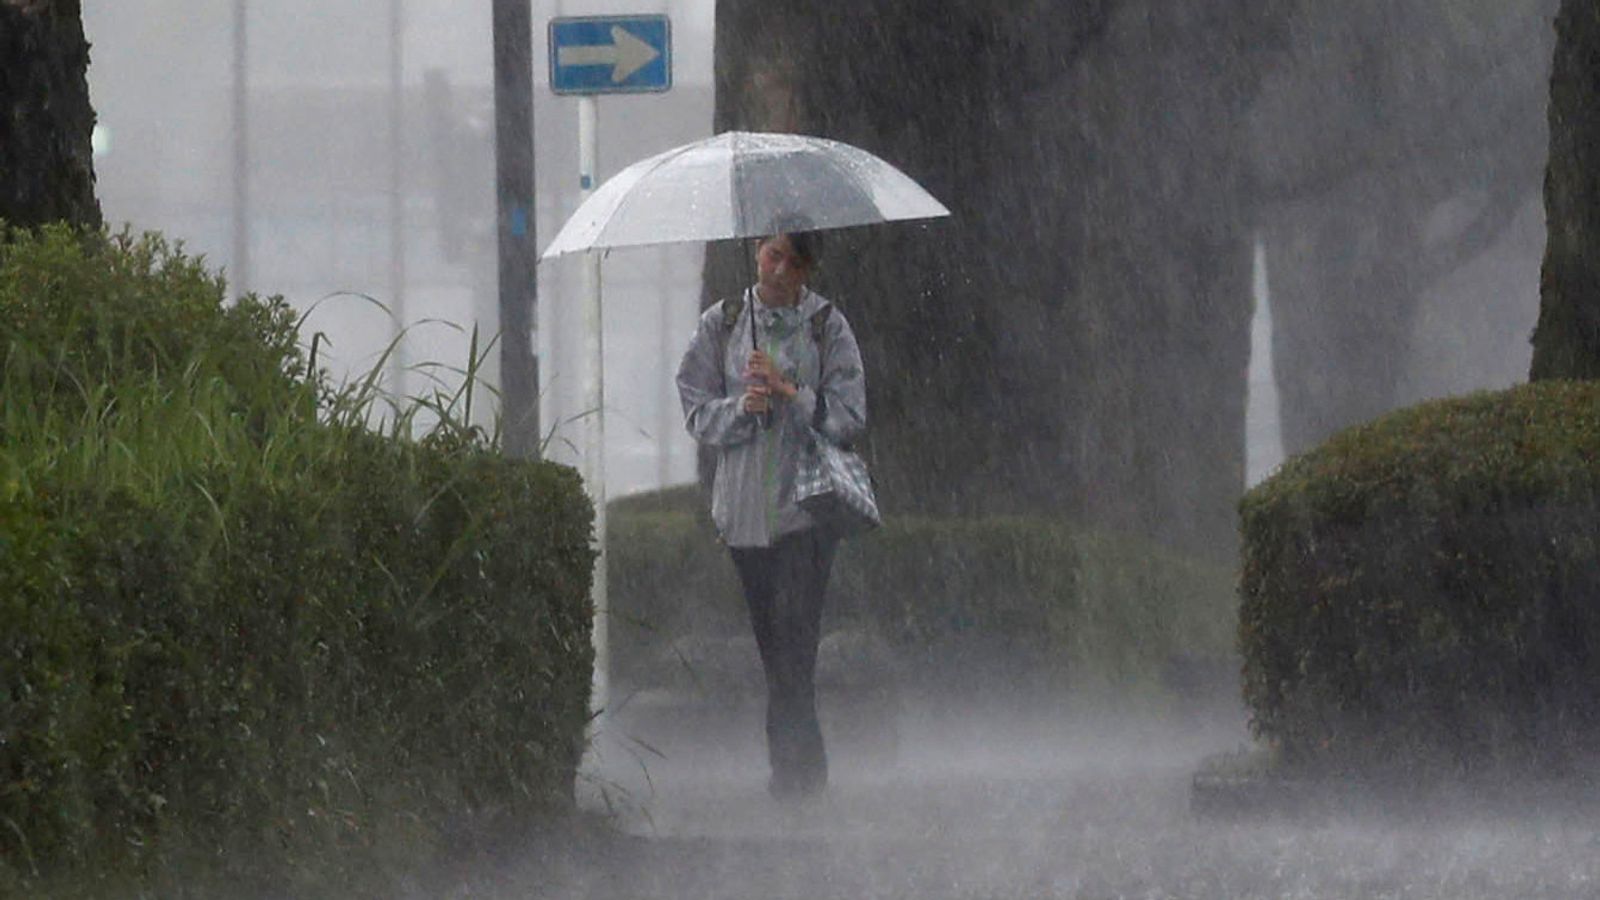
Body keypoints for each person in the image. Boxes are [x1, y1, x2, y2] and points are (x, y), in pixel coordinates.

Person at [675, 226, 868, 801]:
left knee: (796, 635)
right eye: (773, 255)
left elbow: (849, 414)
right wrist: (742, 409)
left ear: (808, 270)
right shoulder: (724, 322)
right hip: (743, 513)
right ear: (758, 251)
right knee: (773, 643)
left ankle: (795, 772)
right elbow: (693, 404)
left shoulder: (826, 325)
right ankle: (800, 762)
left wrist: (791, 392)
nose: (779, 271)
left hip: (807, 509)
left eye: (794, 262)